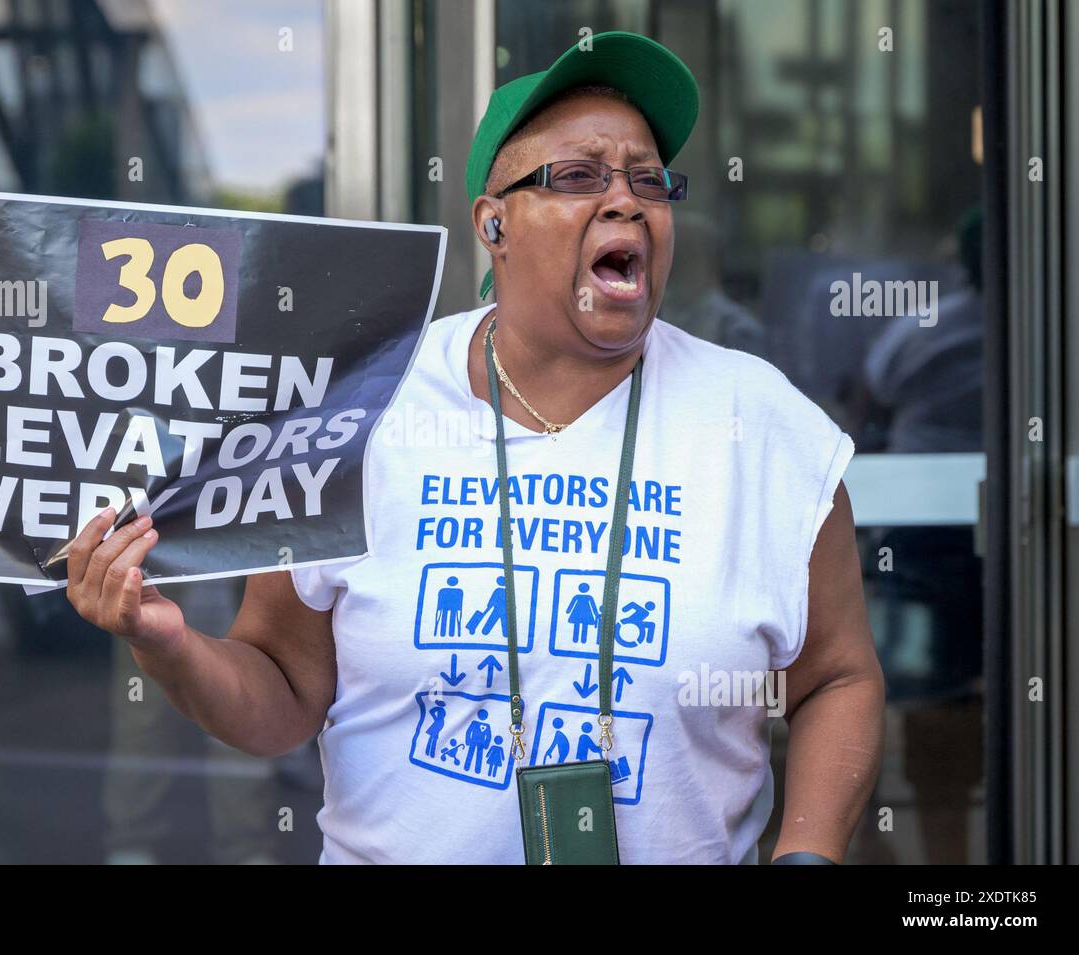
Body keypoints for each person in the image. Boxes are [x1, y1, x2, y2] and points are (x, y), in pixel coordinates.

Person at [65, 31, 884, 864]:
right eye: (577, 176)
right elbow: (282, 692)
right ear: (493, 223)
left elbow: (837, 680)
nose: (627, 201)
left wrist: (807, 857)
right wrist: (167, 644)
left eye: (649, 179)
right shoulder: (358, 405)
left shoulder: (763, 426)